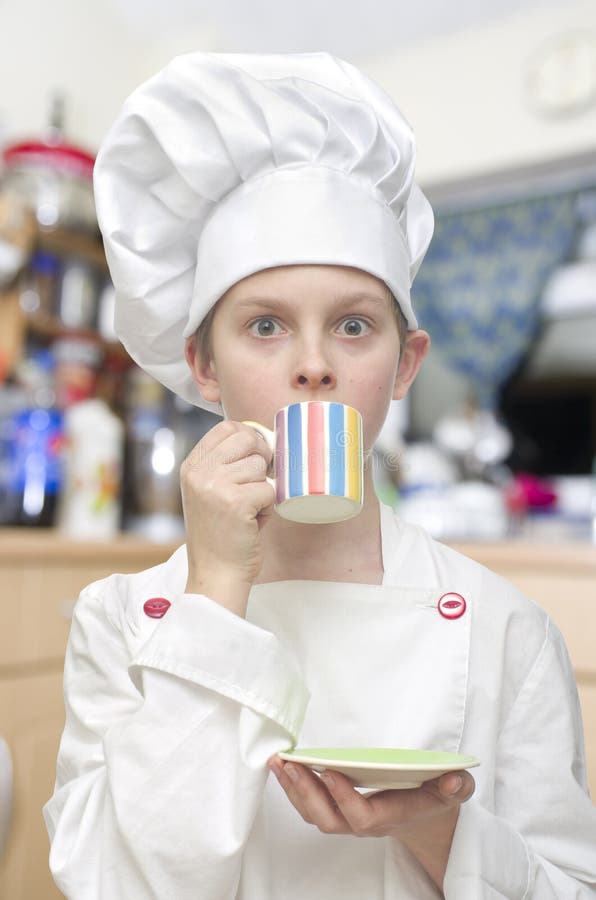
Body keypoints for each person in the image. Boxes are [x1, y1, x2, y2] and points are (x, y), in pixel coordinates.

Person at [43, 52, 596, 899]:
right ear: (204, 368)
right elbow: (115, 884)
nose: (312, 364)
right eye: (264, 326)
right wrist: (219, 581)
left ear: (405, 364)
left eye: (352, 325)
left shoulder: (506, 631)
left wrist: (434, 822)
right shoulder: (121, 621)